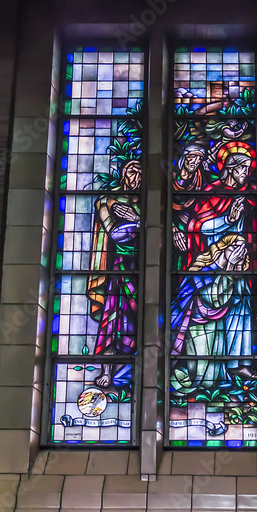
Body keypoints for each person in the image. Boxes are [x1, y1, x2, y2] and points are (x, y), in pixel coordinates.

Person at [171, 233, 252, 391]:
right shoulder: (203, 271)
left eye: (243, 250)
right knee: (203, 381)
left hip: (217, 325)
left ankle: (232, 368)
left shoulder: (234, 273)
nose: (239, 253)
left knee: (213, 381)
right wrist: (229, 268)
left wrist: (236, 270)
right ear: (220, 249)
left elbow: (235, 300)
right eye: (235, 248)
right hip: (197, 326)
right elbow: (214, 299)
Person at [87, 159, 141, 388]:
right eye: (131, 170)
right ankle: (107, 370)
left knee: (139, 318)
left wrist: (135, 219)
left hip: (143, 266)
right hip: (118, 266)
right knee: (114, 318)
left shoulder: (149, 201)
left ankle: (140, 369)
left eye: (140, 171)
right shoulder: (108, 200)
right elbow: (111, 230)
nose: (135, 175)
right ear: (122, 173)